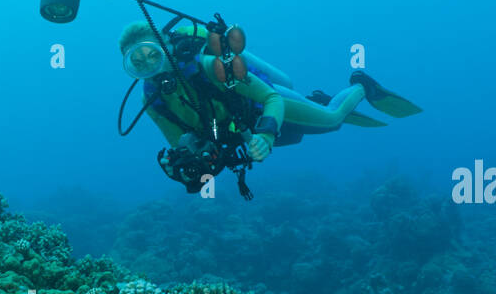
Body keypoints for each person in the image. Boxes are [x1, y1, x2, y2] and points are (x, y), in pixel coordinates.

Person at [118, 21, 421, 191]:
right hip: (246, 128)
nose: (150, 66)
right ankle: (315, 100)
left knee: (332, 121)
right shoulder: (152, 99)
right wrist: (188, 167)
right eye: (138, 62)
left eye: (152, 55)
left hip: (265, 107)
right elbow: (184, 142)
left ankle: (361, 85)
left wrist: (265, 134)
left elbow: (271, 98)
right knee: (297, 135)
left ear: (166, 48)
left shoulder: (209, 67)